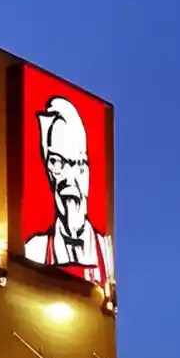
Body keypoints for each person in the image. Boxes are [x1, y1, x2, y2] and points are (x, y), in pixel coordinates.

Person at [24, 96, 113, 286]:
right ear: (49, 172)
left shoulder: (106, 253)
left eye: (78, 163)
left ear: (87, 171)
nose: (68, 177)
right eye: (57, 163)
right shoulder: (34, 251)